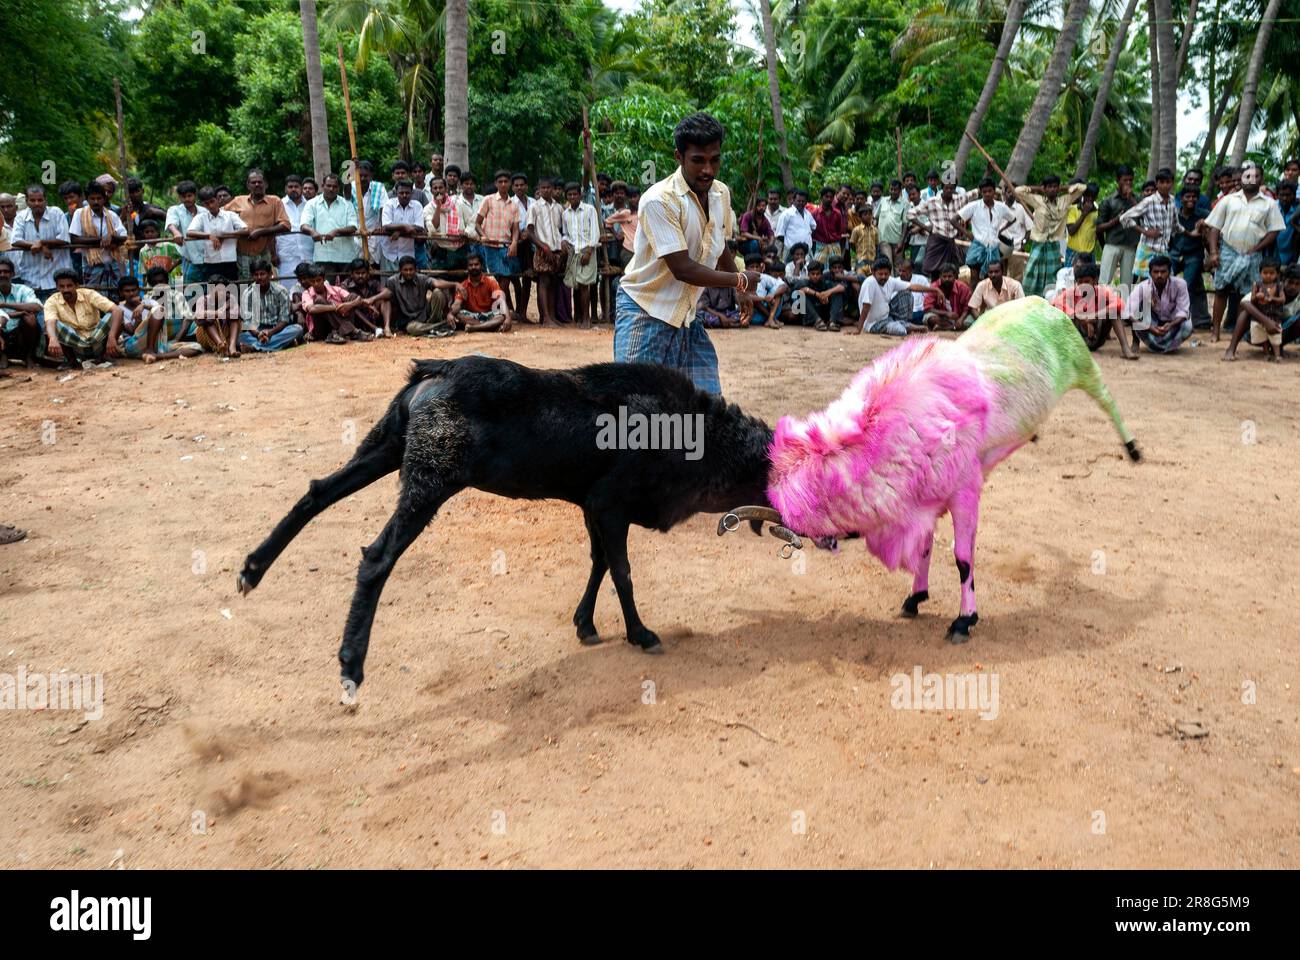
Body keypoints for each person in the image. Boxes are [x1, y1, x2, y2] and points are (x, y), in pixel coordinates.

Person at [615, 112, 761, 393]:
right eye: (698, 160)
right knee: (638, 411)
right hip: (645, 312)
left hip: (686, 317)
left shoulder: (721, 194)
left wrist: (739, 288)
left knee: (708, 411)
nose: (708, 169)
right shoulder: (659, 200)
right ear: (679, 157)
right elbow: (683, 269)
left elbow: (718, 246)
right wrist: (739, 280)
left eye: (714, 159)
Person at [1204, 161, 1284, 340]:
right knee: (1221, 290)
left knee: (1246, 293)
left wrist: (1257, 248)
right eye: (1248, 176)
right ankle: (1215, 331)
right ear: (1241, 178)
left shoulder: (1270, 204)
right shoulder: (1228, 200)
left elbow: (1274, 230)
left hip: (1254, 253)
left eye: (1256, 176)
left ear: (1261, 178)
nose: (1251, 179)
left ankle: (1237, 333)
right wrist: (1214, 252)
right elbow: (1214, 228)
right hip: (1228, 250)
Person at [187, 186, 249, 357]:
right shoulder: (201, 217)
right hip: (211, 264)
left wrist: (224, 235)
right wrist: (209, 236)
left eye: (212, 201)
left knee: (233, 298)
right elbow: (190, 232)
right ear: (203, 204)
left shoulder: (230, 215)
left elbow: (246, 230)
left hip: (229, 262)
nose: (211, 205)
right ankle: (218, 340)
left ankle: (232, 341)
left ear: (218, 200)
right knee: (211, 299)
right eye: (206, 203)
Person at [1013, 174, 1087, 297]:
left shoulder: (1065, 200)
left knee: (1052, 275)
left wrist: (1063, 188)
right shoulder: (1037, 200)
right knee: (1032, 273)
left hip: (1053, 245)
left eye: (1055, 187)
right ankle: (1030, 299)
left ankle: (1049, 300)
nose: (1052, 189)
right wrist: (1038, 189)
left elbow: (1082, 188)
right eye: (1049, 187)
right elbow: (1018, 190)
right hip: (1039, 244)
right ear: (1045, 188)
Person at [41, 268, 124, 366]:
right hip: (74, 345)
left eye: (69, 286)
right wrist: (53, 339)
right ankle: (71, 361)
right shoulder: (52, 301)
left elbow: (117, 310)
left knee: (114, 315)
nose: (66, 289)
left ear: (77, 285)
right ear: (57, 287)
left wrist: (112, 337)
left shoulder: (89, 294)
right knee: (53, 325)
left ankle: (104, 355)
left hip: (97, 340)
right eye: (62, 286)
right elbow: (50, 321)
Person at [1051, 260, 1133, 358]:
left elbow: (1119, 303)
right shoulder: (1072, 292)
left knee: (1114, 313)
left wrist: (1093, 317)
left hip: (1097, 335)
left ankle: (1125, 348)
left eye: (1086, 281)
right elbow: (1055, 303)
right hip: (1077, 337)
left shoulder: (1103, 291)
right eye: (1079, 282)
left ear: (1095, 281)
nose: (1083, 285)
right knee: (1062, 313)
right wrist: (1080, 318)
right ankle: (1061, 348)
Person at [1222, 262, 1300, 360]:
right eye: (1290, 282)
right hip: (1258, 331)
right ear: (1283, 281)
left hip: (1280, 331)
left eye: (1297, 284)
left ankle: (1279, 347)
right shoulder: (1269, 289)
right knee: (1247, 312)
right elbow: (1244, 303)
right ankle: (1231, 349)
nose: (1293, 287)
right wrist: (1266, 321)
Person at [8, 185, 72, 300]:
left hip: (57, 279)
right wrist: (41, 246)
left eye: (40, 200)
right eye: (32, 200)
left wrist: (41, 242)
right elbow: (15, 240)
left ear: (45, 200)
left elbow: (64, 238)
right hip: (31, 278)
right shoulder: (21, 217)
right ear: (27, 201)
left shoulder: (56, 213)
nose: (37, 203)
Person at [909, 171, 975, 276]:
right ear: (942, 188)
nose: (949, 190)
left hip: (951, 242)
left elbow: (975, 192)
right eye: (946, 188)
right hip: (936, 241)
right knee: (935, 273)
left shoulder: (959, 199)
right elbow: (910, 215)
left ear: (955, 189)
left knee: (952, 273)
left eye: (951, 188)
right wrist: (926, 228)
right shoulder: (932, 202)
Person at [474, 170, 522, 316]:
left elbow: (515, 229)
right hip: (490, 247)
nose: (503, 184)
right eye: (500, 182)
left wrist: (514, 243)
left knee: (505, 278)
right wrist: (483, 236)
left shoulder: (514, 205)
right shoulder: (488, 200)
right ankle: (502, 310)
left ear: (509, 184)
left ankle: (500, 311)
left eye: (505, 181)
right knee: (498, 278)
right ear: (496, 184)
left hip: (506, 247)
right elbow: (477, 223)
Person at [849, 255, 931, 336]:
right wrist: (859, 329)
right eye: (880, 274)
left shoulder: (890, 280)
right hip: (873, 324)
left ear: (889, 273)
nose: (883, 276)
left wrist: (935, 290)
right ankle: (910, 327)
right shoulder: (870, 283)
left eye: (886, 274)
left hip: (887, 317)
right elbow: (866, 306)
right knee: (900, 330)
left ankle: (906, 324)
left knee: (907, 294)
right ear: (873, 273)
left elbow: (912, 286)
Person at [376, 255, 457, 336]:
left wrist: (455, 284)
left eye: (411, 270)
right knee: (412, 329)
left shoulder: (421, 278)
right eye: (405, 270)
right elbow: (386, 293)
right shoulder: (392, 281)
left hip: (426, 315)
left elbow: (437, 283)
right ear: (400, 270)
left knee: (438, 293)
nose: (408, 272)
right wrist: (372, 299)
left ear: (415, 270)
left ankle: (432, 327)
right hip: (408, 321)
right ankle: (441, 326)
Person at [1127, 254, 1192, 354]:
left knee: (1187, 326)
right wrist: (1149, 328)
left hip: (1172, 321)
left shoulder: (1180, 284)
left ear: (1169, 272)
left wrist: (1170, 325)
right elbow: (1129, 312)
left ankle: (1165, 345)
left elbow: (1183, 312)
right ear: (1150, 273)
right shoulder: (1142, 287)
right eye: (1156, 272)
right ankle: (1136, 341)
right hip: (1152, 321)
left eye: (1163, 272)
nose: (1159, 275)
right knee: (1137, 311)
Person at [69, 180, 128, 289]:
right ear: (87, 199)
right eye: (92, 199)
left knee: (114, 297)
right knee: (93, 299)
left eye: (99, 198)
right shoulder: (79, 214)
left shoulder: (112, 215)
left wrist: (112, 237)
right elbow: (75, 239)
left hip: (113, 265)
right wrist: (101, 240)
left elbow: (124, 237)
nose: (96, 202)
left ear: (104, 199)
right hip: (91, 265)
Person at [1120, 167, 1178, 279]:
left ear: (1172, 183)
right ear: (1157, 184)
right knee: (1145, 282)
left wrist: (1190, 233)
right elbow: (1124, 218)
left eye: (1167, 182)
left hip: (1163, 249)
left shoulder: (1172, 201)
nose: (1165, 185)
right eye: (1162, 182)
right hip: (1148, 247)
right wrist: (1145, 231)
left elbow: (1176, 225)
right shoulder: (1149, 201)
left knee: (1164, 281)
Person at [301, 173, 360, 280]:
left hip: (345, 256)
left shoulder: (347, 204)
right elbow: (304, 225)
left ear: (338, 188)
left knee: (346, 289)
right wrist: (312, 231)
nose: (331, 189)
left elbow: (353, 227)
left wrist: (336, 231)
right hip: (323, 255)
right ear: (323, 186)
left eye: (335, 186)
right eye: (328, 185)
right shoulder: (312, 204)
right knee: (326, 289)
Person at [237, 259, 303, 352]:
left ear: (270, 274)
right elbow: (247, 322)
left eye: (262, 274)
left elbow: (284, 319)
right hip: (256, 332)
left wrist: (270, 333)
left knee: (297, 330)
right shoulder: (247, 293)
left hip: (277, 330)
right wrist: (258, 334)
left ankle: (255, 348)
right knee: (238, 338)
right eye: (256, 275)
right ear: (252, 276)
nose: (259, 277)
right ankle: (283, 344)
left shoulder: (281, 291)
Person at [525, 177, 565, 326]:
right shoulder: (534, 207)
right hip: (542, 249)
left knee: (553, 282)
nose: (546, 190)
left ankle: (552, 316)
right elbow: (529, 232)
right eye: (543, 188)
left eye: (549, 188)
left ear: (553, 189)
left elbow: (560, 229)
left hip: (556, 250)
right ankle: (546, 317)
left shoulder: (558, 208)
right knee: (543, 282)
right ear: (539, 189)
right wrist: (543, 246)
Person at [957, 177, 1014, 279]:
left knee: (992, 280)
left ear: (994, 191)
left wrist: (1001, 230)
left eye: (990, 191)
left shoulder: (1001, 207)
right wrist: (967, 233)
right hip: (977, 247)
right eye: (984, 191)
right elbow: (954, 219)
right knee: (974, 279)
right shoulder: (974, 206)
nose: (987, 194)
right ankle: (975, 295)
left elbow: (1012, 219)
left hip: (993, 248)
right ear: (981, 192)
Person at [561, 181, 601, 328]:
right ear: (567, 196)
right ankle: (578, 316)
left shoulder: (590, 210)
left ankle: (586, 318)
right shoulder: (565, 214)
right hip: (574, 252)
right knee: (575, 285)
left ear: (580, 195)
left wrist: (589, 251)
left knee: (585, 286)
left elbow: (595, 232)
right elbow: (565, 233)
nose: (572, 197)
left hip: (586, 251)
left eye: (575, 194)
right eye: (569, 195)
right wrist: (564, 241)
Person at [300, 263, 372, 343]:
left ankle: (338, 333)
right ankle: (354, 331)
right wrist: (337, 307)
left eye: (318, 280)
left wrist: (348, 305)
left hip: (340, 327)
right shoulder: (306, 293)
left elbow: (358, 299)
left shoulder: (335, 289)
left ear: (323, 279)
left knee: (352, 297)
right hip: (321, 330)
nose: (316, 284)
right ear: (309, 281)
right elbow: (311, 309)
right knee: (319, 301)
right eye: (312, 281)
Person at [1170, 186, 1210, 327]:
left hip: (1194, 254)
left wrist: (1205, 228)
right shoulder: (1174, 213)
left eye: (1194, 197)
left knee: (1187, 285)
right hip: (1175, 253)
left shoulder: (1204, 215)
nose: (1191, 199)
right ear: (1181, 199)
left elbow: (1212, 235)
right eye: (1187, 196)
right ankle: (1166, 315)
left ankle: (1183, 319)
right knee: (1164, 279)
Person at [449, 251, 511, 332]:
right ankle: (488, 327)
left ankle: (475, 328)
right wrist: (450, 314)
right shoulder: (463, 285)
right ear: (467, 268)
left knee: (502, 316)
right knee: (458, 315)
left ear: (481, 266)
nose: (474, 267)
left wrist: (508, 318)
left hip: (489, 314)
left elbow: (501, 301)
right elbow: (457, 303)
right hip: (471, 316)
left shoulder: (491, 282)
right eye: (470, 265)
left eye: (476, 264)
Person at [0, 257, 42, 368]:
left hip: (19, 335)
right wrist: (19, 312)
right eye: (0, 272)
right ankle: (2, 354)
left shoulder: (23, 289)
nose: (2, 274)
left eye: (6, 271)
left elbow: (36, 307)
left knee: (30, 318)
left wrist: (5, 305)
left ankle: (29, 356)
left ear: (13, 274)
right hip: (1, 333)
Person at [378, 178, 425, 274]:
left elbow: (419, 227)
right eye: (401, 193)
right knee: (389, 282)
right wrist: (404, 226)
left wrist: (399, 232)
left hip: (408, 252)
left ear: (412, 193)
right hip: (389, 252)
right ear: (396, 192)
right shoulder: (389, 204)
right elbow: (386, 225)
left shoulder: (417, 206)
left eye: (407, 193)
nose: (404, 195)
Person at [165, 180, 207, 285]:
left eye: (190, 196)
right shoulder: (175, 210)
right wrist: (176, 233)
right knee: (190, 290)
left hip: (207, 259)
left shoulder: (204, 211)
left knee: (208, 290)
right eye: (184, 197)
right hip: (189, 259)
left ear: (195, 195)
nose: (187, 199)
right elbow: (171, 223)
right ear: (180, 197)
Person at [276, 174, 314, 288]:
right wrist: (273, 253)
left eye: (296, 186)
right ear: (285, 189)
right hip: (286, 255)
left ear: (301, 188)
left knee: (310, 288)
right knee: (287, 288)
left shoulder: (310, 205)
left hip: (308, 253)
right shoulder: (279, 205)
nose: (293, 189)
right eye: (290, 187)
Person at [964, 257, 1023, 325]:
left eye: (996, 272)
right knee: (968, 322)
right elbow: (972, 307)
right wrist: (981, 322)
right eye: (990, 272)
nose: (993, 275)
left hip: (1010, 320)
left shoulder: (1015, 285)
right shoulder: (982, 285)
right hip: (990, 321)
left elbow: (1023, 308)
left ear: (1002, 272)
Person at [339, 258, 388, 336]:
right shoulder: (345, 285)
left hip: (373, 316)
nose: (360, 276)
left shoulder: (373, 283)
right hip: (355, 320)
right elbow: (346, 304)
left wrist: (372, 299)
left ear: (368, 274)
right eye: (357, 273)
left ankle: (387, 328)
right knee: (352, 301)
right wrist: (366, 304)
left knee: (384, 299)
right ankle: (374, 328)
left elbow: (388, 292)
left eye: (363, 273)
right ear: (351, 274)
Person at [796, 259, 845, 331]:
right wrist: (817, 294)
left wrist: (828, 293)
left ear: (821, 274)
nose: (815, 276)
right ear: (808, 274)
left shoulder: (825, 283)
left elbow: (842, 287)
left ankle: (833, 321)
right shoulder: (804, 281)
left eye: (818, 274)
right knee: (801, 295)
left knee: (837, 293)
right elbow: (802, 289)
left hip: (823, 311)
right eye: (813, 274)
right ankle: (817, 321)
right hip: (808, 314)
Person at [922, 262, 972, 331]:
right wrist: (946, 314)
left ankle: (947, 328)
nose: (947, 279)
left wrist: (961, 319)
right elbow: (928, 308)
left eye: (950, 276)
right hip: (942, 318)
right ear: (940, 276)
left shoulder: (963, 288)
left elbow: (967, 307)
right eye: (944, 276)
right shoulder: (934, 287)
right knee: (929, 318)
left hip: (958, 317)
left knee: (970, 322)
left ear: (955, 277)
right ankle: (952, 328)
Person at [775, 190, 817, 259]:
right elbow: (779, 235)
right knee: (789, 269)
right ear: (794, 200)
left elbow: (814, 227)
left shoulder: (808, 214)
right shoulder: (786, 214)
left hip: (807, 252)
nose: (801, 203)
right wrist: (790, 245)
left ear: (806, 202)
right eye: (798, 201)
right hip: (791, 252)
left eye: (803, 201)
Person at [1065, 184, 1100, 266]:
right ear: (1083, 195)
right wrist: (1084, 214)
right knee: (1070, 276)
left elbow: (1097, 233)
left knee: (1088, 276)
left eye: (1093, 197)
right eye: (1088, 196)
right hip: (1073, 251)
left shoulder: (1098, 213)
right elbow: (1071, 231)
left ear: (1096, 197)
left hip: (1089, 252)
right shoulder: (1073, 209)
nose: (1090, 199)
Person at [810, 187, 846, 264]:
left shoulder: (837, 213)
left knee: (835, 270)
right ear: (821, 197)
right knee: (818, 269)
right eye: (826, 196)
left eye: (831, 197)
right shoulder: (815, 213)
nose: (829, 199)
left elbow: (840, 231)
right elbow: (812, 232)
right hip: (820, 246)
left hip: (834, 245)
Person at [750, 257, 790, 328]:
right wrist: (764, 298)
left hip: (766, 315)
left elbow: (784, 286)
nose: (755, 269)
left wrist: (772, 295)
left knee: (777, 292)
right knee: (756, 298)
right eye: (752, 267)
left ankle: (771, 319)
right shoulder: (743, 278)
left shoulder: (766, 278)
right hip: (753, 315)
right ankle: (772, 319)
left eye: (757, 267)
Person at [1274, 178, 1299, 265]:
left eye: (1288, 195)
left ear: (1294, 195)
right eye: (1282, 195)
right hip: (1272, 255)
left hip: (1292, 255)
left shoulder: (1298, 210)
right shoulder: (1271, 208)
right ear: (1277, 195)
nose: (1285, 198)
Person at [847, 204, 878, 273]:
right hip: (860, 260)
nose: (868, 216)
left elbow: (876, 244)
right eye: (865, 214)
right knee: (860, 278)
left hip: (872, 260)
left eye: (870, 214)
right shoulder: (856, 230)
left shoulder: (875, 230)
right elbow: (852, 244)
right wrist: (856, 257)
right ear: (860, 217)